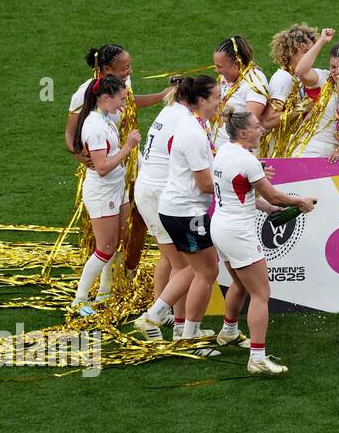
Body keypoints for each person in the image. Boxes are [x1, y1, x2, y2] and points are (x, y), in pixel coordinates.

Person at [210, 112, 317, 375]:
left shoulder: (224, 150)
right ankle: (257, 358)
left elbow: (241, 192)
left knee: (239, 284)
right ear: (243, 133)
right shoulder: (247, 160)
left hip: (221, 228)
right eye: (257, 127)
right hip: (238, 233)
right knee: (260, 294)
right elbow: (274, 195)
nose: (262, 130)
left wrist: (267, 208)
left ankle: (228, 332)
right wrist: (300, 202)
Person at [134, 77, 226, 354]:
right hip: (174, 201)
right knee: (192, 268)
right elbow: (204, 180)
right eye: (216, 97)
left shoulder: (175, 113)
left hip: (158, 195)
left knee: (181, 263)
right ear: (198, 100)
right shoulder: (189, 126)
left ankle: (172, 323)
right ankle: (176, 327)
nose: (220, 101)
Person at [68, 75, 141, 315]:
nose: (123, 104)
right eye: (120, 99)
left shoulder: (104, 117)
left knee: (119, 238)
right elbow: (101, 167)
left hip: (116, 188)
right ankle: (80, 299)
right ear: (105, 98)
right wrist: (128, 147)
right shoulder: (95, 126)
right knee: (105, 247)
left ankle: (105, 290)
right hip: (102, 191)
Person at [64, 44, 167, 158]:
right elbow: (70, 133)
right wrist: (79, 156)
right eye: (125, 68)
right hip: (105, 158)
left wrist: (162, 95)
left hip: (130, 154)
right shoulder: (84, 93)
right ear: (107, 69)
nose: (130, 71)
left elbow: (130, 102)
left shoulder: (123, 80)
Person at [289, 29, 339, 159]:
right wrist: (321, 41)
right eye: (333, 66)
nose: (337, 71)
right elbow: (300, 71)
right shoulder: (322, 79)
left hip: (334, 156)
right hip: (307, 150)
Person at [263, 23, 322, 154]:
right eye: (306, 52)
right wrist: (302, 108)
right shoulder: (283, 78)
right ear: (291, 52)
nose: (310, 57)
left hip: (289, 146)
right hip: (275, 150)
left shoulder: (298, 77)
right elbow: (268, 120)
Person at [211, 35, 270, 149]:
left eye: (220, 66)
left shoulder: (255, 82)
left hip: (236, 153)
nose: (216, 71)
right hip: (219, 149)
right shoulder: (226, 77)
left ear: (237, 63)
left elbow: (250, 127)